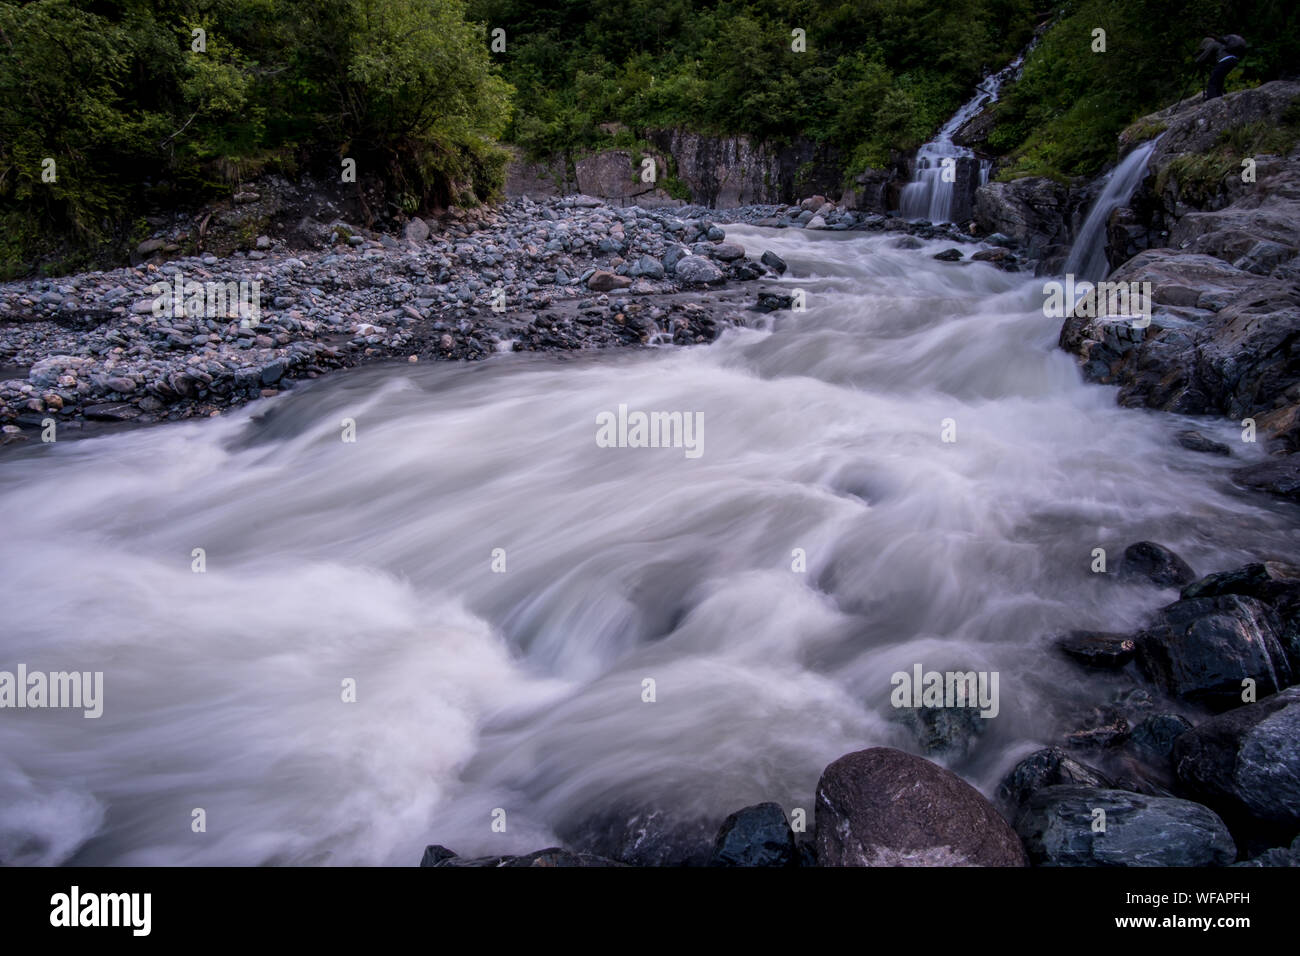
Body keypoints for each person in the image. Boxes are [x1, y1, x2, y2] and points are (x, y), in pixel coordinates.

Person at [1196, 34, 1246, 100]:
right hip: (1233, 60)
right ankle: (1218, 97)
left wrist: (1197, 60)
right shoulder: (1223, 45)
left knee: (1212, 81)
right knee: (1219, 79)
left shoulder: (1213, 44)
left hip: (1225, 60)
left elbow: (1203, 57)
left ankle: (1212, 100)